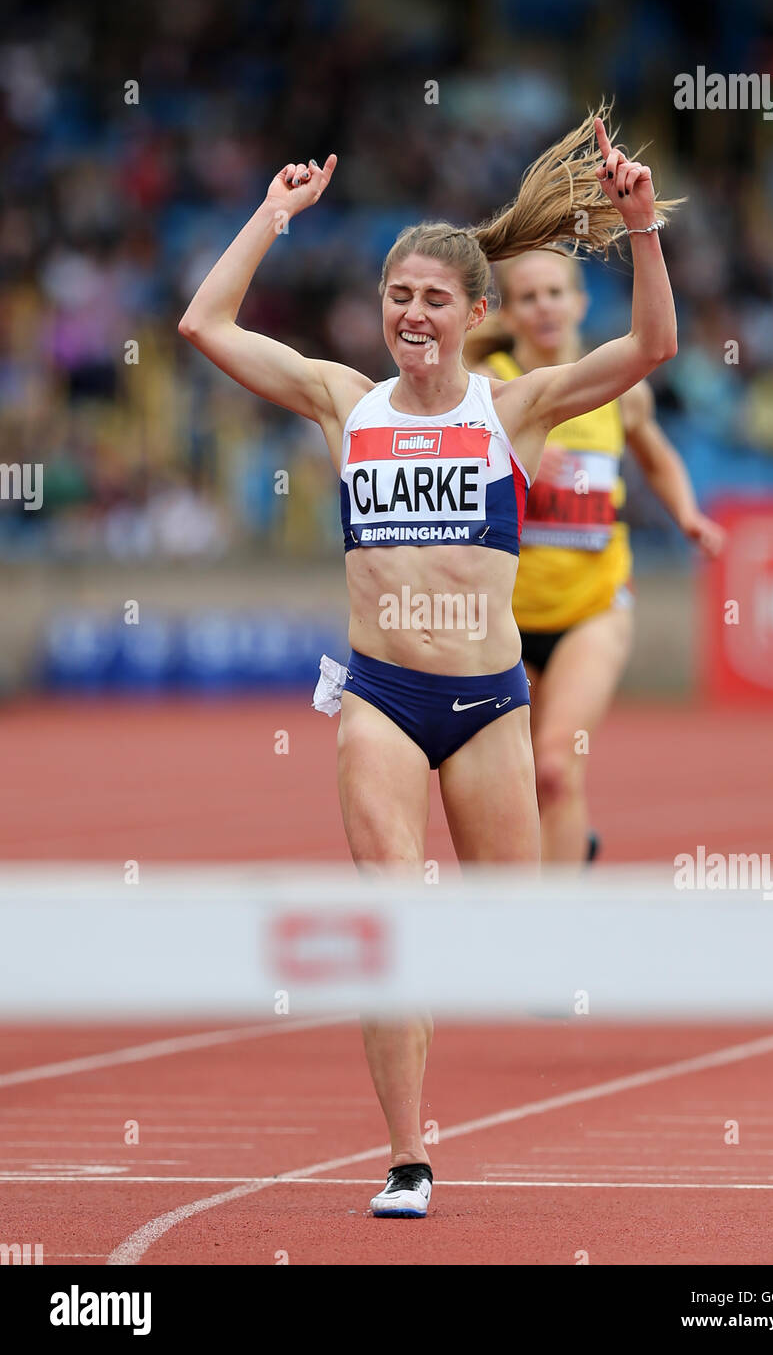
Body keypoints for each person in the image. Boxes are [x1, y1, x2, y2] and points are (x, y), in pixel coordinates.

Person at [178, 108, 678, 1218]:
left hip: (490, 702)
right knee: (389, 912)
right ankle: (407, 1158)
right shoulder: (341, 402)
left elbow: (648, 351)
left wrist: (641, 230)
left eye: (431, 298)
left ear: (474, 314)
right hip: (381, 694)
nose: (410, 313)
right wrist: (270, 215)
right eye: (396, 295)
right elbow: (204, 325)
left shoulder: (517, 410)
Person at [466, 253, 724, 864]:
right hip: (505, 619)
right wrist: (514, 461)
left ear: (581, 303)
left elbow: (656, 455)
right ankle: (564, 857)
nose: (545, 306)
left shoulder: (615, 387)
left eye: (557, 292)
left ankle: (562, 922)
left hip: (592, 606)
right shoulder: (485, 387)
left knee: (555, 766)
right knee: (514, 777)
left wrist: (686, 513)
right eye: (527, 296)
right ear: (509, 311)